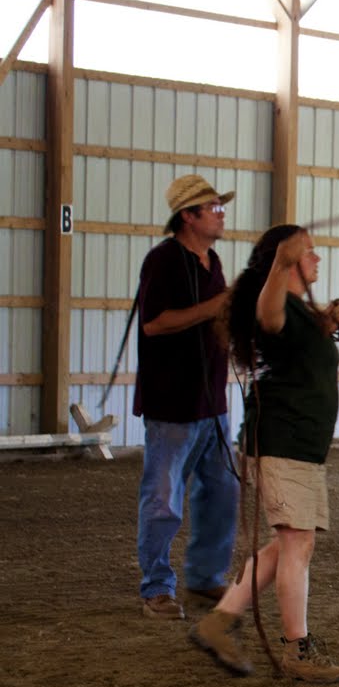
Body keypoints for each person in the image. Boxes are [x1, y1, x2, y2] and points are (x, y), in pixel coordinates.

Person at [189, 224, 339, 683]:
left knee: (290, 544)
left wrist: (325, 325)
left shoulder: (300, 312)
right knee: (297, 544)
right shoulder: (273, 305)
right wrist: (281, 260)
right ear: (290, 259)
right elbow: (269, 312)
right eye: (310, 253)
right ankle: (297, 648)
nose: (317, 260)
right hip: (283, 444)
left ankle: (218, 622)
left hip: (301, 447)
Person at [134, 175, 240, 620]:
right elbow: (154, 323)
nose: (221, 212)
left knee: (222, 492)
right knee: (163, 499)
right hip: (172, 404)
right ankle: (157, 587)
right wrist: (213, 308)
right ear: (188, 216)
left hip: (212, 401)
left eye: (220, 205)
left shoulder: (211, 262)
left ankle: (205, 576)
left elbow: (212, 321)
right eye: (213, 206)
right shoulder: (163, 261)